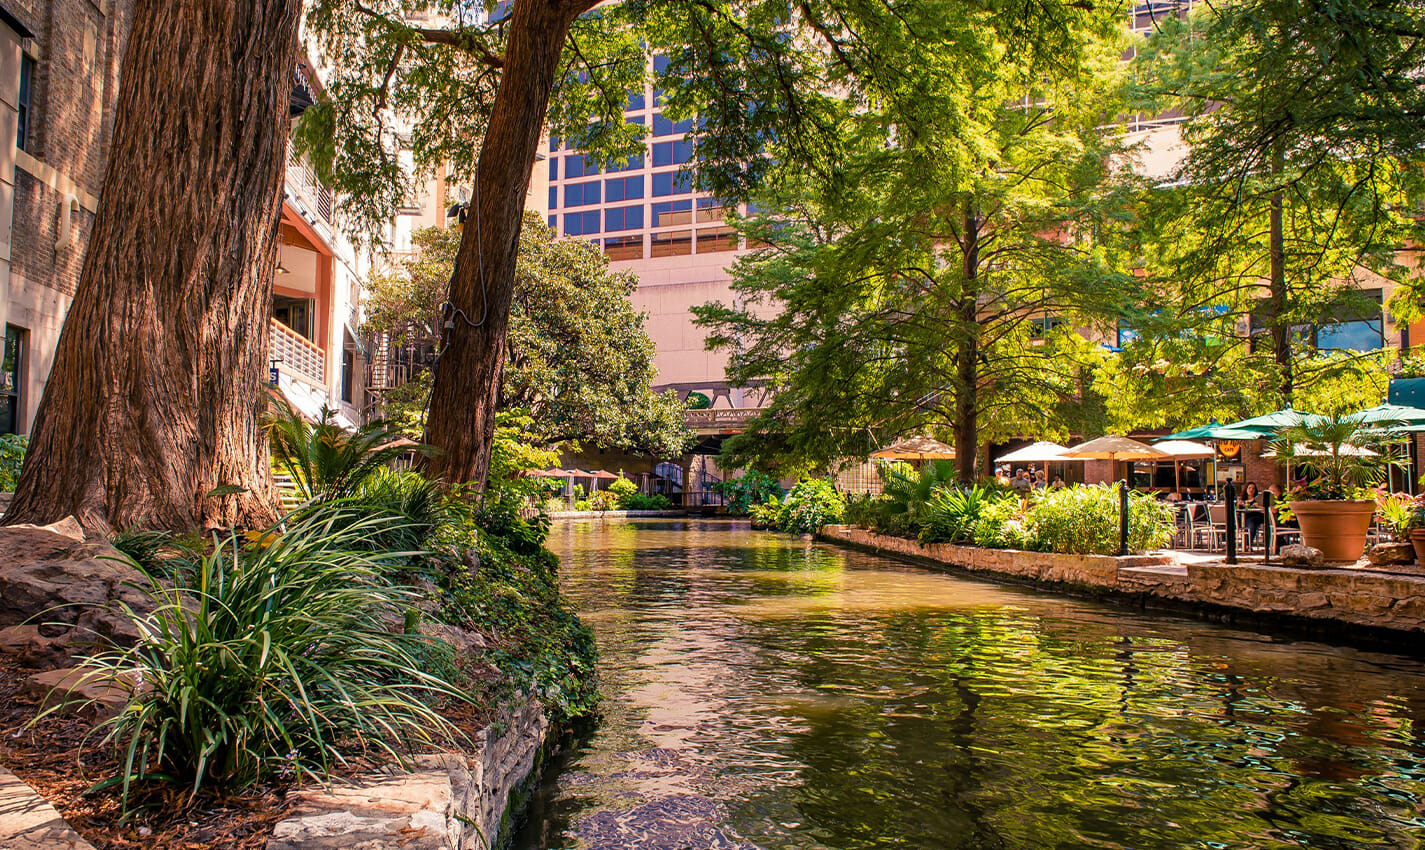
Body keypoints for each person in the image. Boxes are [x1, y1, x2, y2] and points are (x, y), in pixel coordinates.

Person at [1238, 481, 1265, 547]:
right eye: (1249, 488)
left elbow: (1264, 509)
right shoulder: (1242, 500)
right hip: (1243, 516)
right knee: (1233, 521)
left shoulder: (1258, 499)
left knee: (1252, 523)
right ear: (1246, 489)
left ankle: (1247, 544)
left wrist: (1257, 506)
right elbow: (1238, 510)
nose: (1251, 490)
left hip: (1255, 516)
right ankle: (1230, 544)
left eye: (1253, 488)